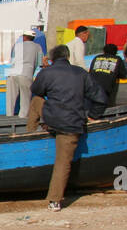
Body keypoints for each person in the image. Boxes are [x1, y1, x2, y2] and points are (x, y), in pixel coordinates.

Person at [27, 46, 104, 212]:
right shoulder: (81, 73)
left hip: (52, 118)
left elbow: (36, 91)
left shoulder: (47, 73)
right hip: (71, 125)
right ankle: (54, 201)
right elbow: (100, 97)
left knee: (36, 101)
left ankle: (30, 133)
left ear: (52, 58)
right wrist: (94, 115)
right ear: (68, 57)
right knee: (63, 163)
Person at [6, 31, 42, 118]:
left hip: (11, 73)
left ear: (24, 37)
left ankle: (9, 116)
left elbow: (12, 60)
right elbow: (39, 63)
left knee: (10, 98)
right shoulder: (37, 47)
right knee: (25, 98)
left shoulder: (16, 46)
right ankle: (22, 118)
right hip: (25, 73)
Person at [87, 43, 127, 113]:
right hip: (107, 91)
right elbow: (124, 75)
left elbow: (91, 72)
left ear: (104, 51)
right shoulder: (117, 59)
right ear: (116, 52)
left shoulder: (97, 58)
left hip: (92, 88)